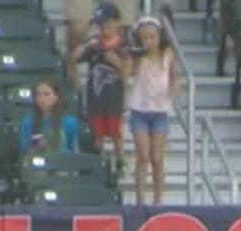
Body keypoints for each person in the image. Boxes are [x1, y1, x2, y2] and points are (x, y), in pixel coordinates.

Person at [128, 16, 179, 206]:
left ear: (159, 36)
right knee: (143, 155)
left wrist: (174, 88)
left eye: (152, 37)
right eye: (144, 38)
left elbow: (174, 76)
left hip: (160, 111)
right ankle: (140, 199)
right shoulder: (138, 58)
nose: (149, 41)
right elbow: (129, 74)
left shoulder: (168, 54)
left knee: (157, 157)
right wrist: (133, 59)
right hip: (140, 110)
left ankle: (159, 199)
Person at [75, 3, 130, 166]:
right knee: (96, 132)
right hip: (95, 96)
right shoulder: (94, 44)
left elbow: (127, 72)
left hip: (114, 96)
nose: (105, 30)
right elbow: (74, 58)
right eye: (101, 26)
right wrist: (86, 43)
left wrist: (116, 61)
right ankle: (97, 161)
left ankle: (120, 160)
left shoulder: (123, 46)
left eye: (108, 26)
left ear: (117, 24)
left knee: (115, 132)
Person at [20, 76, 82, 155]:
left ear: (56, 97)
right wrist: (37, 148)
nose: (42, 99)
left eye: (46, 94)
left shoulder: (70, 122)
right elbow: (25, 153)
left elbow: (75, 152)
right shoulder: (28, 123)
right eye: (38, 94)